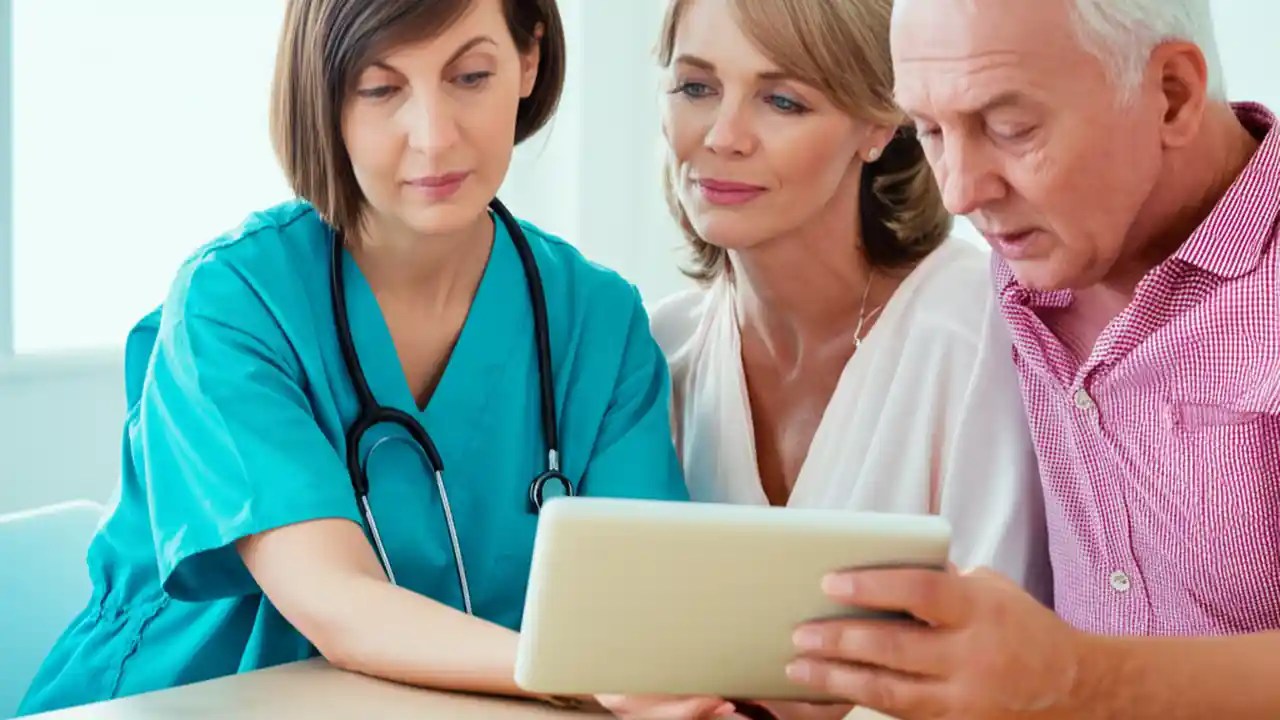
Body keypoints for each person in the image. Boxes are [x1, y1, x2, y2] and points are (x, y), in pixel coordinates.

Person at [16, 0, 688, 714]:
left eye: (470, 77)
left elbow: (645, 603)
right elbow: (339, 603)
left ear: (528, 60)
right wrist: (587, 671)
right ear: (325, 95)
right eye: (380, 88)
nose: (433, 137)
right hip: (185, 698)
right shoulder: (236, 300)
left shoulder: (598, 321)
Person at [781, 0, 1280, 717]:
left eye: (1009, 129)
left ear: (1171, 94)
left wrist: (1081, 680)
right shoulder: (1029, 254)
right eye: (929, 131)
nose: (959, 191)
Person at [599, 0, 1053, 717]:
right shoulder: (656, 352)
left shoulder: (976, 330)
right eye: (696, 87)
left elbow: (993, 670)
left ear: (879, 123)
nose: (722, 136)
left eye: (783, 100)